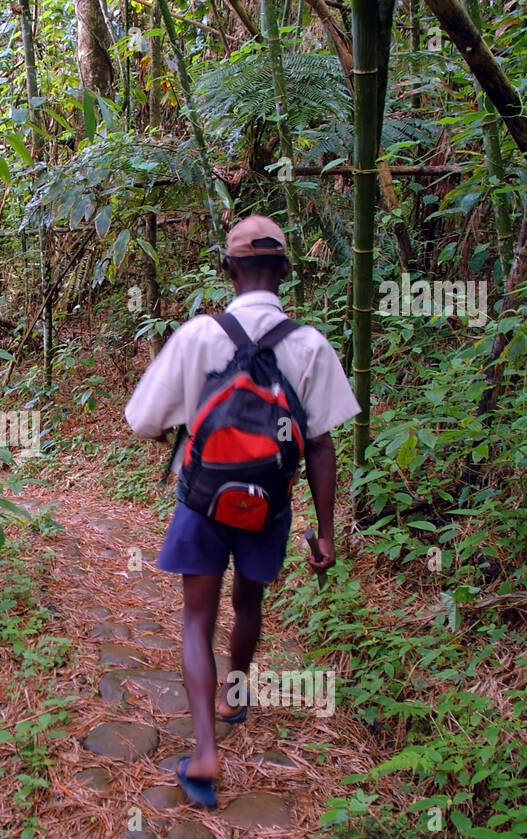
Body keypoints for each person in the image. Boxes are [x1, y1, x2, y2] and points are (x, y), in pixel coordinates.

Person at [124, 215, 360, 807]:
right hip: (270, 505)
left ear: (228, 270)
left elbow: (142, 420)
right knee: (248, 602)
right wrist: (325, 535)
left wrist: (187, 433)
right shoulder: (309, 344)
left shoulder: (199, 336)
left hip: (204, 500)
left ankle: (205, 750)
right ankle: (234, 694)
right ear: (284, 273)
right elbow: (321, 445)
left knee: (196, 621)